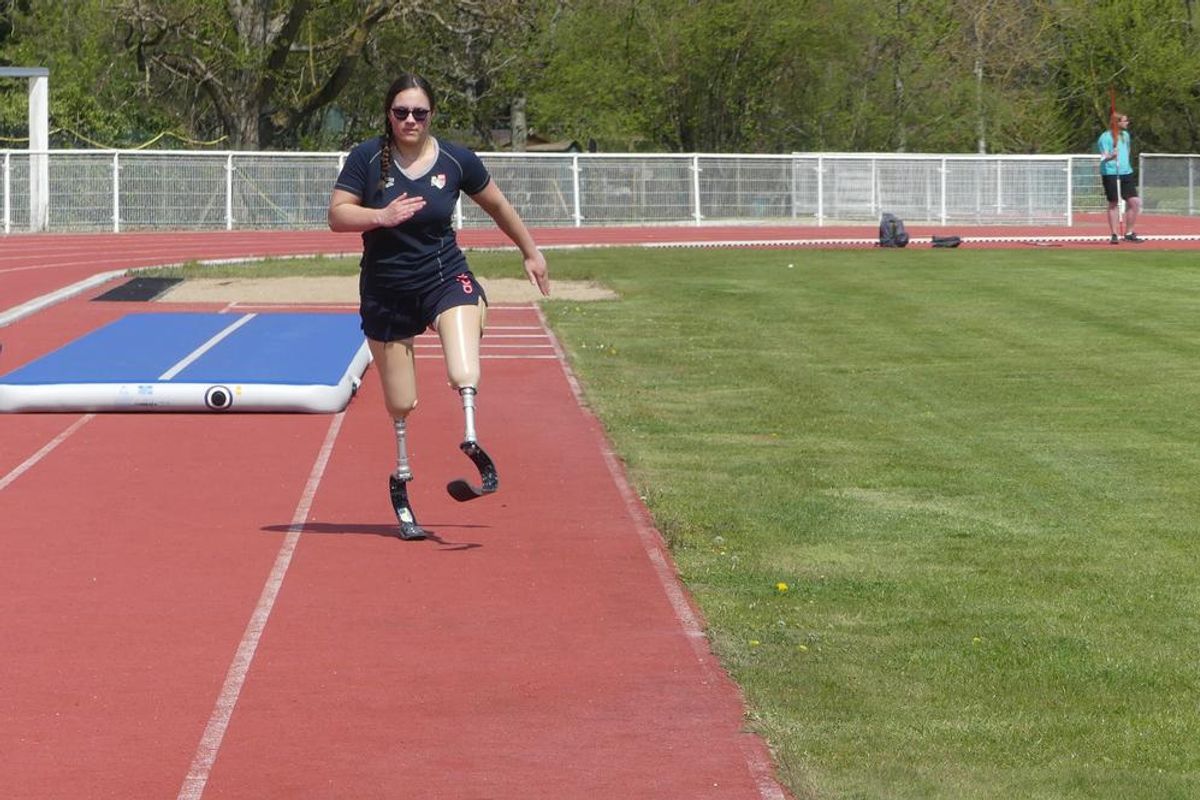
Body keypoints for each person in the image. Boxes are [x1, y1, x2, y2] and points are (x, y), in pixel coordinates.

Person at [328, 73, 550, 540]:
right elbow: (337, 214)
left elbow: (498, 206)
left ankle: (471, 438)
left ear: (432, 115)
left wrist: (531, 251)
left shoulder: (455, 159)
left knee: (463, 365)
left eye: (420, 113)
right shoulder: (366, 158)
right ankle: (402, 477)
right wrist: (380, 216)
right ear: (388, 114)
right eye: (401, 112)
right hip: (386, 288)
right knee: (401, 402)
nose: (410, 120)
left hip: (442, 275)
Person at [1097, 111, 1143, 244]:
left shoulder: (1125, 135)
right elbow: (1103, 157)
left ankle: (1129, 233)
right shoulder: (1105, 137)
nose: (1127, 123)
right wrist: (1112, 156)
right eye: (1124, 120)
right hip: (1111, 172)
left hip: (1125, 172)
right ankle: (1114, 234)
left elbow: (1127, 151)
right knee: (1114, 202)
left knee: (1134, 202)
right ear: (1117, 123)